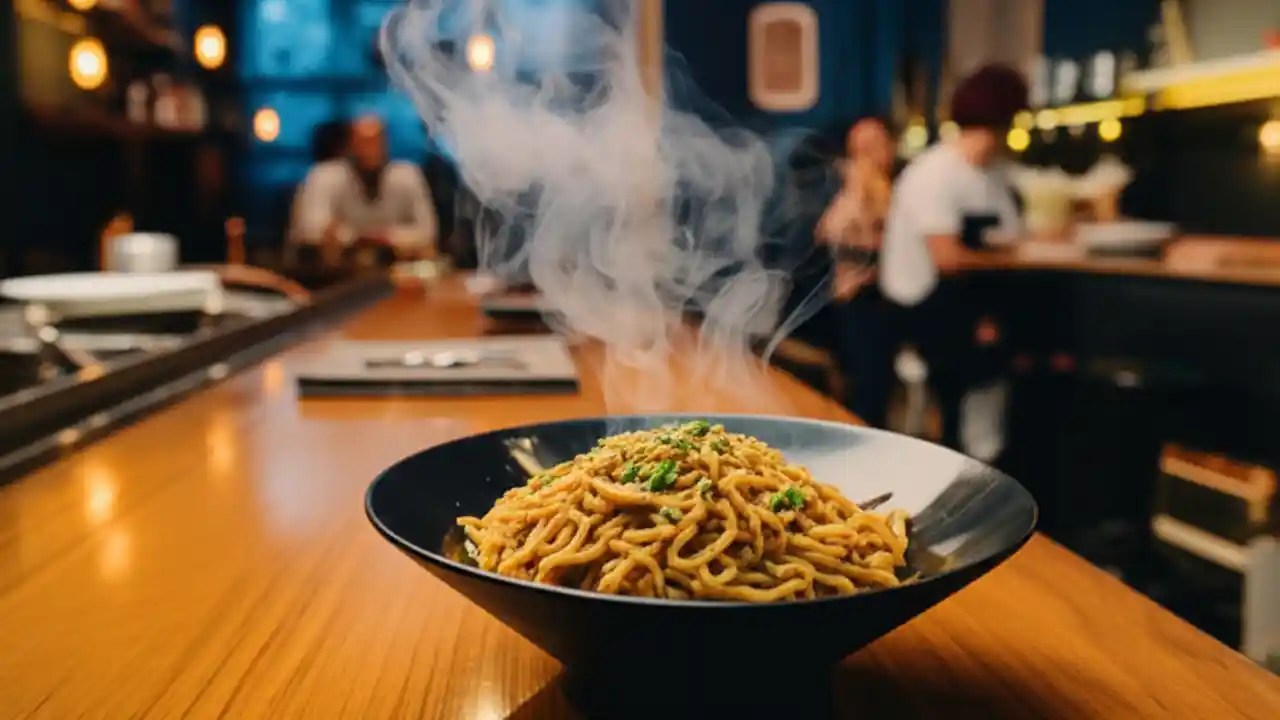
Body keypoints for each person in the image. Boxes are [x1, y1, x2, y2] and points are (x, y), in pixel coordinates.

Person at [879, 64, 1027, 449]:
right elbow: (947, 258)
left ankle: (994, 452)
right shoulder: (935, 172)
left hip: (972, 302)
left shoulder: (993, 174)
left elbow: (1011, 237)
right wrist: (1010, 262)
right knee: (990, 354)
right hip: (924, 306)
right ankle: (963, 452)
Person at [818, 118, 896, 426]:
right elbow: (827, 232)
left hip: (875, 294)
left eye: (878, 144)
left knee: (875, 378)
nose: (874, 154)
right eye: (863, 148)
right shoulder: (858, 185)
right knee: (867, 381)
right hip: (858, 295)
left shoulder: (884, 184)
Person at [291, 115, 438, 265]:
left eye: (375, 143)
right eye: (363, 143)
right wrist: (356, 238)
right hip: (331, 271)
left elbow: (427, 231)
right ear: (349, 145)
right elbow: (312, 229)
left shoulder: (407, 175)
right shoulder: (324, 176)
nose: (369, 151)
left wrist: (382, 237)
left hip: (394, 265)